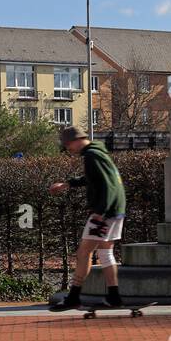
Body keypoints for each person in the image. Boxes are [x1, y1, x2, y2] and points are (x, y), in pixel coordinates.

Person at [49, 125, 126, 310]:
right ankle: (114, 297)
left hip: (104, 212)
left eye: (68, 146)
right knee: (105, 253)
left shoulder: (91, 156)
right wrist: (68, 184)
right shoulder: (99, 153)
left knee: (84, 252)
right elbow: (96, 179)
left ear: (75, 141)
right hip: (116, 210)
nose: (69, 150)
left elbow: (108, 185)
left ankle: (74, 296)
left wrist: (101, 212)